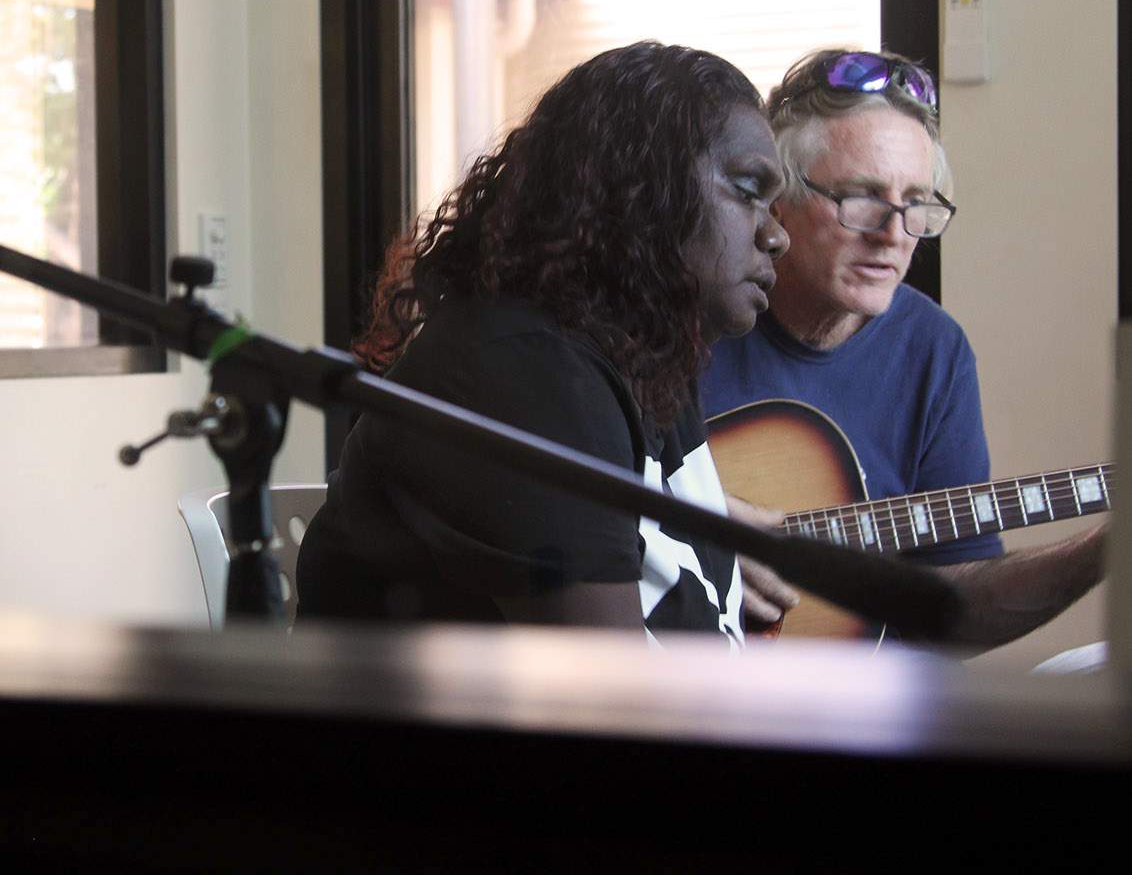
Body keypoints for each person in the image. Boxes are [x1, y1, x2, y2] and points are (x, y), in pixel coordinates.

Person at [295, 41, 788, 645]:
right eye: (747, 189)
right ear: (638, 187)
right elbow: (605, 686)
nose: (777, 235)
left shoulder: (649, 356)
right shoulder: (521, 369)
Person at [700, 49, 1107, 649]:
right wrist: (681, 529)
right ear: (779, 200)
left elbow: (956, 605)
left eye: (916, 202)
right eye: (861, 197)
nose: (894, 234)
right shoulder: (688, 322)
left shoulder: (934, 349)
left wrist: (1105, 548)